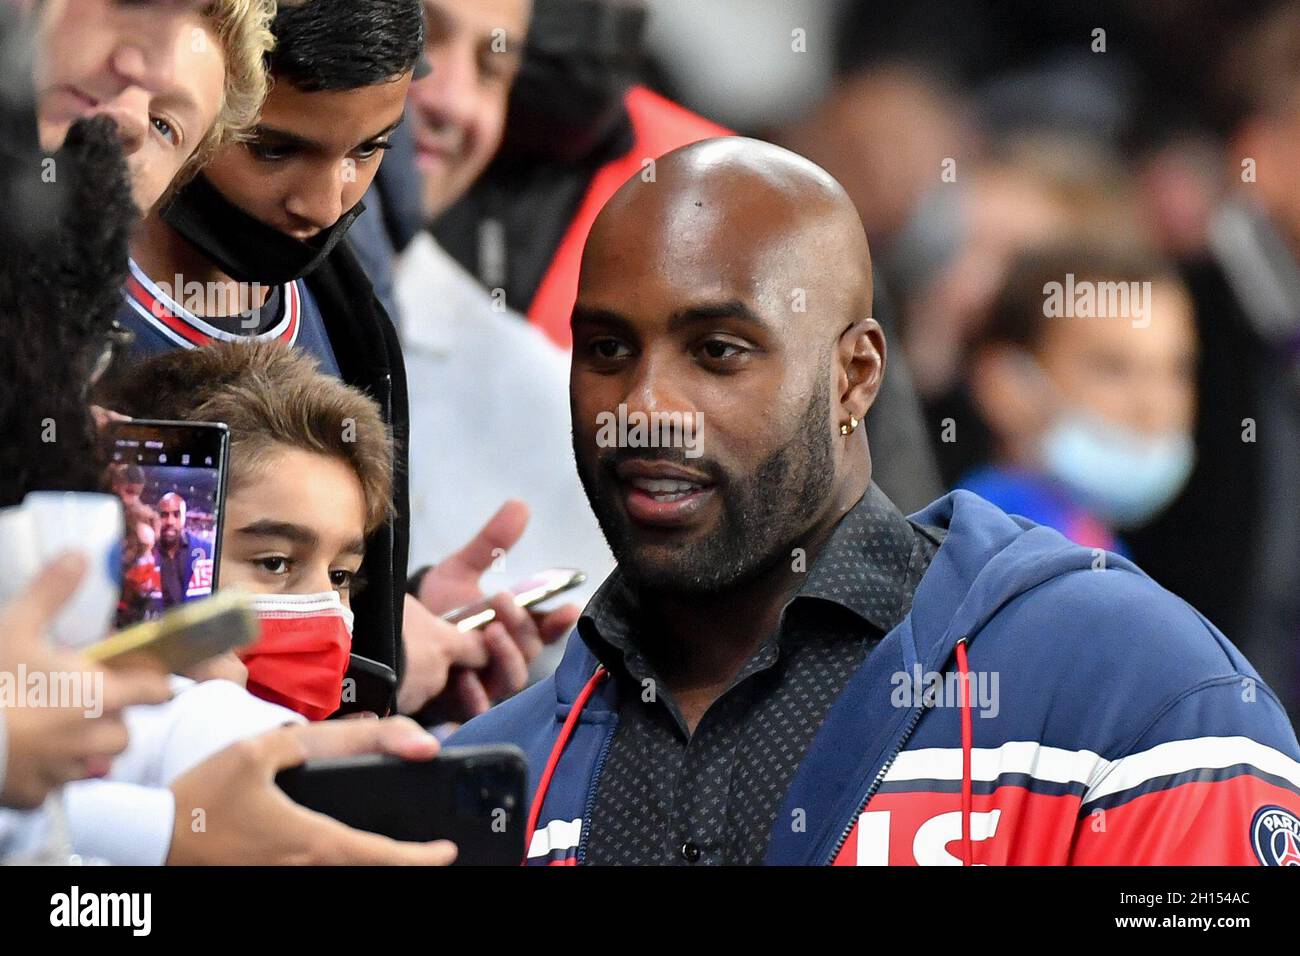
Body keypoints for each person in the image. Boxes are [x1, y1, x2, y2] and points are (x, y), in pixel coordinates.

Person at [452, 137, 1300, 866]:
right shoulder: (487, 780)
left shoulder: (1130, 690)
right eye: (605, 348)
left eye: (717, 351)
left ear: (854, 376)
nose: (644, 409)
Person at [396, 0, 613, 665]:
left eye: (493, 68)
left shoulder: (551, 404)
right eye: (419, 39)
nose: (454, 102)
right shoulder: (110, 303)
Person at [958, 246, 1198, 555]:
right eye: (1114, 368)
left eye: (1177, 369)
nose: (1154, 405)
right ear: (1004, 384)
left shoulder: (1094, 542)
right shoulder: (988, 540)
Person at [152, 492, 214, 609]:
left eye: (176, 515)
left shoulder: (206, 551)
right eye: (164, 515)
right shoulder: (147, 555)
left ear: (185, 518)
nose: (170, 521)